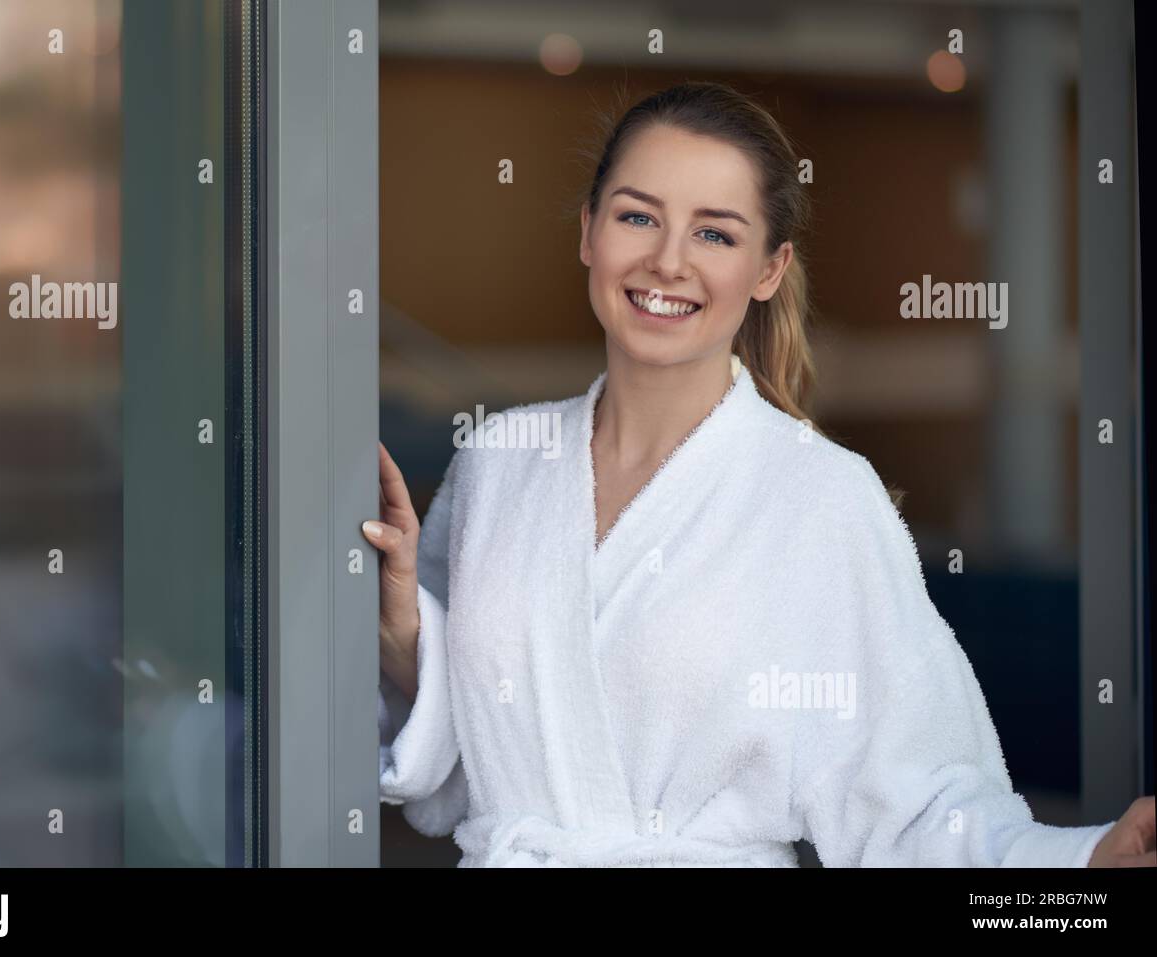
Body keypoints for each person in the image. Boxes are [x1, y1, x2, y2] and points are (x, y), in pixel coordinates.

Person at [366, 81, 1155, 867]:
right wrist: (404, 625)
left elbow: (916, 797)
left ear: (770, 268)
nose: (667, 261)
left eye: (715, 234)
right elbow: (464, 752)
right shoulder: (499, 460)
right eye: (637, 216)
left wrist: (1083, 867)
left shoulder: (822, 497)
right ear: (588, 232)